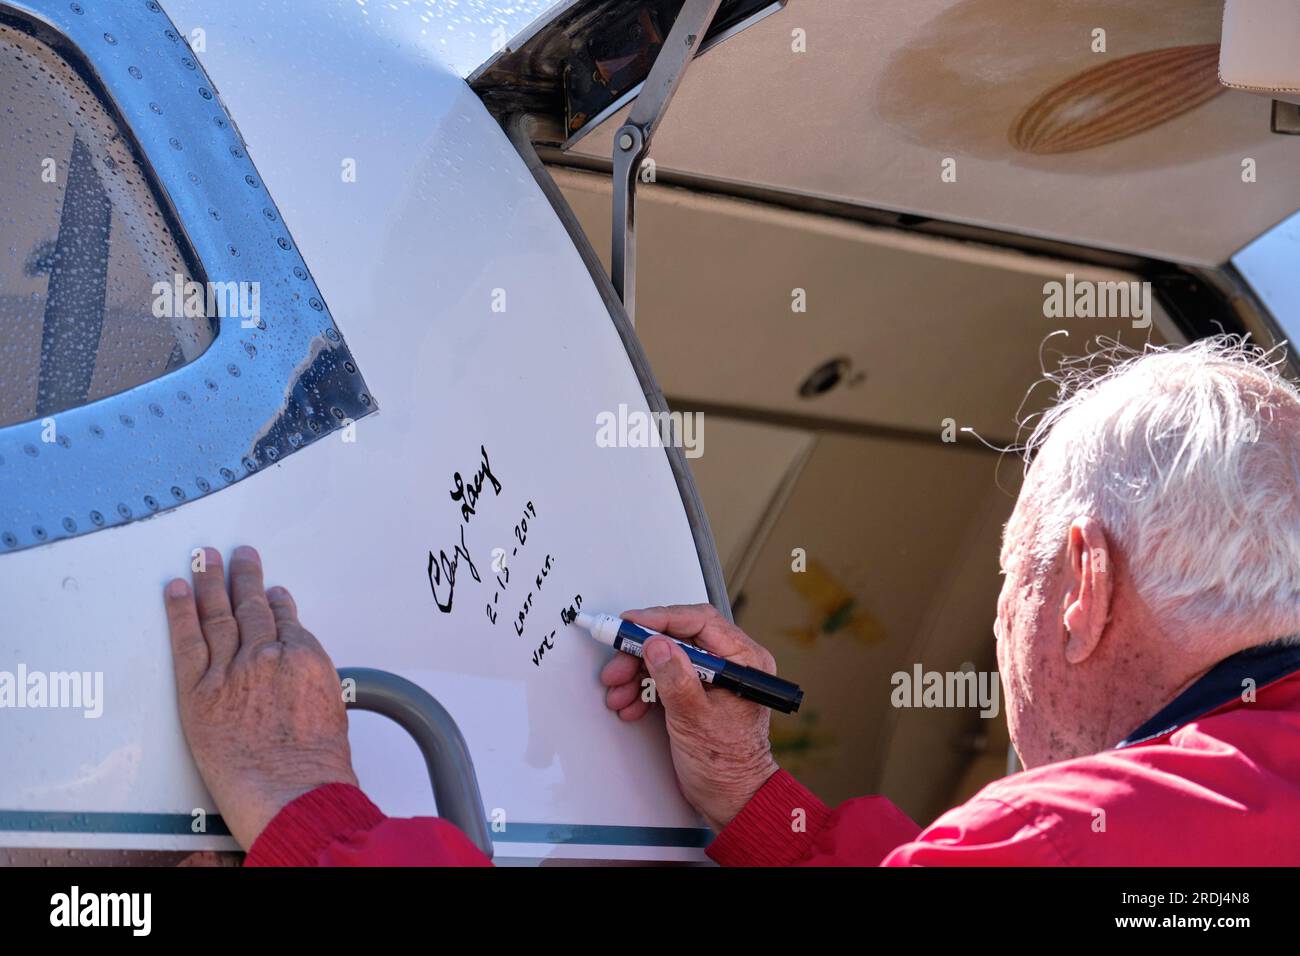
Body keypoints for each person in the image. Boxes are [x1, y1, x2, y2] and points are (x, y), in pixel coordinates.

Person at [164, 337, 1300, 865]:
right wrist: (755, 798)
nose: (1002, 627)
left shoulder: (1071, 837)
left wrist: (312, 809)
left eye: (1013, 579)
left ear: (1082, 584)